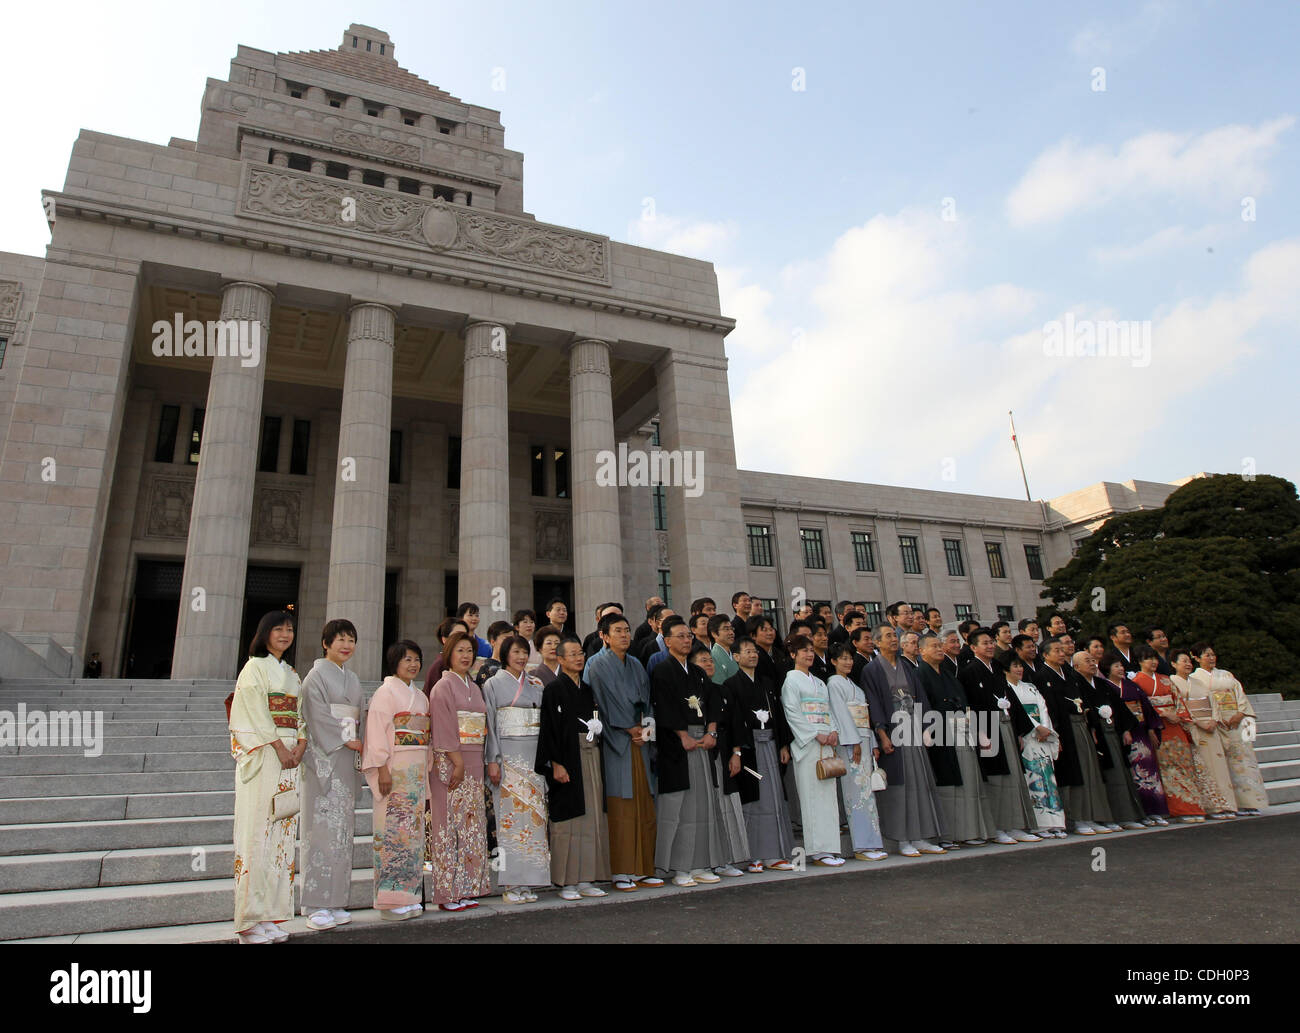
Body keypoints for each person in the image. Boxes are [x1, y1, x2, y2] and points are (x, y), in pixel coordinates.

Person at [229, 610, 303, 944]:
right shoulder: (253, 667)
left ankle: (272, 913)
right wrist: (277, 745)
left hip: (290, 758)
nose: (285, 634)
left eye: (289, 629)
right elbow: (251, 713)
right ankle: (248, 921)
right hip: (264, 757)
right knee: (256, 834)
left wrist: (300, 744)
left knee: (282, 836)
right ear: (265, 633)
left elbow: (299, 714)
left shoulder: (290, 672)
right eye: (278, 629)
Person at [584, 612, 662, 892]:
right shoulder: (596, 665)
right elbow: (600, 704)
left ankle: (644, 868)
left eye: (627, 630)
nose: (625, 635)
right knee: (620, 806)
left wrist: (646, 730)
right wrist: (628, 728)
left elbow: (649, 701)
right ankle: (621, 869)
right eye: (617, 631)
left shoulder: (637, 665)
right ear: (603, 636)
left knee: (644, 804)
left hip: (640, 743)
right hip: (615, 743)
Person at [651, 616, 729, 886]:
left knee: (703, 805)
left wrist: (712, 732)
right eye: (680, 636)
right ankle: (679, 867)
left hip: (702, 742)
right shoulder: (662, 670)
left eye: (689, 636)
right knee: (679, 809)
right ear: (667, 640)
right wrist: (682, 734)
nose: (687, 640)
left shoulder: (697, 673)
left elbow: (714, 701)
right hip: (676, 746)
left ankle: (701, 863)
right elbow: (664, 706)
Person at [299, 619, 364, 931]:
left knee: (341, 832)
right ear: (325, 643)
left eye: (350, 639)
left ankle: (336, 900)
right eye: (339, 639)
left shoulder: (351, 678)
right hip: (324, 760)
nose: (346, 645)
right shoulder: (314, 677)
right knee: (321, 829)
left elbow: (359, 715)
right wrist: (345, 738)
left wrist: (359, 742)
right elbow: (316, 716)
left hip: (347, 756)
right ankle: (315, 903)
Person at [536, 637, 611, 899]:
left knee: (591, 816)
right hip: (567, 756)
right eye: (572, 654)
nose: (579, 658)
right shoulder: (554, 689)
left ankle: (587, 878)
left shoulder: (587, 689)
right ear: (560, 659)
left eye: (581, 653)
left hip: (590, 754)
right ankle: (567, 881)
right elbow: (549, 729)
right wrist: (555, 763)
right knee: (569, 820)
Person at [861, 625, 945, 857]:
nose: (893, 640)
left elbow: (921, 697)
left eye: (894, 636)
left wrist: (927, 727)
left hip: (913, 726)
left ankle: (921, 836)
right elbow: (874, 701)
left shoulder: (907, 667)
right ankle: (903, 839)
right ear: (877, 643)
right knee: (901, 785)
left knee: (920, 782)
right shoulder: (872, 669)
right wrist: (882, 733)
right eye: (888, 636)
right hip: (893, 728)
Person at [363, 640, 431, 921]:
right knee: (392, 833)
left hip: (414, 768)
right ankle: (390, 901)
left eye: (416, 659)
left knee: (412, 836)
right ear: (395, 663)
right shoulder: (385, 693)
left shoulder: (421, 697)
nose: (413, 664)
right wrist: (381, 769)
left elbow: (425, 735)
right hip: (394, 767)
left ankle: (411, 895)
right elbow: (377, 731)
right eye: (407, 659)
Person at [482, 635, 549, 903]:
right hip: (507, 757)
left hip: (532, 757)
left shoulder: (536, 684)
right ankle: (511, 884)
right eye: (516, 652)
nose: (521, 657)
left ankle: (529, 882)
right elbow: (490, 722)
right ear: (506, 655)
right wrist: (492, 760)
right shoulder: (492, 684)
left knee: (533, 820)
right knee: (509, 822)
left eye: (525, 652)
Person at [958, 629, 1040, 844]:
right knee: (997, 778)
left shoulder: (997, 669)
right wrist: (981, 733)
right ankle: (1000, 827)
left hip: (1005, 724)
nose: (990, 646)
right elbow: (971, 705)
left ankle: (1016, 824)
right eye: (985, 643)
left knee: (1013, 774)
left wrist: (1020, 729)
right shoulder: (969, 671)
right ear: (973, 647)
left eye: (992, 642)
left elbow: (1010, 697)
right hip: (986, 728)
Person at [428, 631, 490, 911]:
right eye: (460, 651)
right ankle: (446, 892)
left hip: (474, 758)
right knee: (448, 826)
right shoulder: (443, 687)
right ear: (449, 654)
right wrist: (457, 760)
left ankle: (466, 887)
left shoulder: (474, 687)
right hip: (451, 761)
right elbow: (442, 727)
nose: (465, 656)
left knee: (471, 827)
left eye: (469, 651)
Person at [727, 637, 795, 871]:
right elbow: (734, 721)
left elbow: (778, 714)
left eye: (754, 651)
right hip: (749, 748)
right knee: (754, 801)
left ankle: (775, 854)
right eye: (747, 651)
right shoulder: (731, 684)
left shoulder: (767, 683)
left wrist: (783, 745)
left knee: (775, 798)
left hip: (770, 744)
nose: (753, 655)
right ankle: (754, 855)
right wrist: (736, 751)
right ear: (736, 657)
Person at [918, 635, 993, 847]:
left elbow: (965, 702)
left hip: (963, 730)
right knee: (949, 785)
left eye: (940, 646)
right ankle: (951, 834)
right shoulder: (920, 674)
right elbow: (923, 705)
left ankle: (974, 830)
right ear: (921, 651)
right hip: (939, 733)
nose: (939, 649)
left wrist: (977, 730)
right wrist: (928, 731)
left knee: (970, 781)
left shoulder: (949, 674)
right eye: (933, 646)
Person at [780, 635, 845, 866]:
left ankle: (831, 847)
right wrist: (815, 734)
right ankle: (817, 850)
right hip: (808, 743)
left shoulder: (819, 681)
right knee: (811, 798)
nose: (809, 654)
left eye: (810, 650)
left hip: (826, 741)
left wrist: (833, 731)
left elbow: (829, 710)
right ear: (792, 655)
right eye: (803, 651)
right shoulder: (791, 681)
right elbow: (792, 712)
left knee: (827, 797)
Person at [1035, 641, 1112, 836]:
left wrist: (1091, 725)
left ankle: (1092, 815)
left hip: (1080, 724)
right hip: (1063, 728)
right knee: (1072, 773)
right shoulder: (1043, 676)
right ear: (1045, 655)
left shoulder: (1069, 674)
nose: (1061, 654)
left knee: (1088, 770)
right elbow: (1048, 707)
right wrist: (1056, 733)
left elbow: (1084, 700)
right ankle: (1076, 818)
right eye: (1056, 650)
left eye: (1063, 650)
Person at [1131, 646, 1207, 823]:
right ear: (1140, 662)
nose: (1154, 662)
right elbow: (1141, 706)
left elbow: (1178, 702)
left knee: (1184, 765)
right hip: (1158, 727)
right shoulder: (1137, 681)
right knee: (1166, 768)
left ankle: (1192, 806)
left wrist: (1177, 715)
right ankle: (1177, 809)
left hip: (1175, 726)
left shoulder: (1166, 680)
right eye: (1149, 658)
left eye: (1155, 658)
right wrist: (1163, 714)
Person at [1188, 644, 1267, 814]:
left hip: (1236, 720)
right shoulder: (1195, 678)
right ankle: (1231, 803)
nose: (1211, 658)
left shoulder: (1226, 674)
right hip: (1216, 722)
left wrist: (1240, 713)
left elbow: (1240, 694)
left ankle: (1250, 802)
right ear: (1196, 658)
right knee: (1223, 764)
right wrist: (1217, 718)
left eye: (1213, 654)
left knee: (1243, 760)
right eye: (1207, 655)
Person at [1070, 650, 1144, 831]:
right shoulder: (1075, 684)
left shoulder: (1102, 684)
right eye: (1087, 661)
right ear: (1077, 666)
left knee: (1121, 772)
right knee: (1104, 775)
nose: (1092, 663)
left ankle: (1128, 815)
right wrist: (1092, 728)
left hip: (1113, 732)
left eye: (1093, 660)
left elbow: (1119, 708)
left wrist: (1126, 729)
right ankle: (1109, 817)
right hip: (1096, 734)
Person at [827, 644, 887, 860]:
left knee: (866, 793)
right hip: (850, 743)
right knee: (856, 794)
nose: (848, 662)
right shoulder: (834, 683)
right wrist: (855, 742)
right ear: (833, 661)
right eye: (842, 658)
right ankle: (862, 846)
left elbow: (865, 716)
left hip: (862, 737)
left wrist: (871, 744)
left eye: (850, 658)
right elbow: (841, 714)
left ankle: (872, 843)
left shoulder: (854, 685)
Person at [697, 643, 750, 878]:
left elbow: (737, 723)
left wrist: (736, 753)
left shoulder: (723, 690)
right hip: (701, 754)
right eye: (702, 661)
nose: (709, 664)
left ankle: (727, 858)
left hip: (725, 752)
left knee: (726, 805)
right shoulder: (693, 694)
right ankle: (709, 861)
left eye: (710, 660)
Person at [1171, 649, 1238, 818]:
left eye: (1188, 661)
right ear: (1173, 664)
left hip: (1211, 725)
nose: (1187, 664)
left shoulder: (1198, 682)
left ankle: (1227, 804)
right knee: (1204, 768)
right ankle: (1212, 807)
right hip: (1195, 728)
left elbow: (1212, 701)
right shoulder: (1172, 682)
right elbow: (1180, 706)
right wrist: (1199, 722)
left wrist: (1215, 719)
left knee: (1220, 768)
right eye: (1183, 661)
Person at [1103, 657, 1170, 825]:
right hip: (1125, 732)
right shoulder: (1107, 687)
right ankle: (1142, 812)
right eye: (1116, 665)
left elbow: (1146, 707)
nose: (1120, 668)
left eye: (1121, 666)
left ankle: (1155, 811)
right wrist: (1124, 728)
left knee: (1149, 769)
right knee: (1134, 773)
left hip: (1141, 731)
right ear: (1107, 669)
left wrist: (1150, 728)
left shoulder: (1133, 686)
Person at [1008, 657, 1065, 837]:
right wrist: (1035, 727)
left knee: (1048, 778)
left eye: (1020, 666)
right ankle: (1038, 824)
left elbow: (1043, 707)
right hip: (1028, 736)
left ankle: (1055, 822)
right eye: (1014, 665)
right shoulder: (1007, 688)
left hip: (1042, 737)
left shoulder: (1030, 687)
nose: (1019, 669)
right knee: (1033, 779)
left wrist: (1045, 728)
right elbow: (1019, 711)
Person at [421, 616, 469, 694]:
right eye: (456, 635)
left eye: (464, 636)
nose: (461, 639)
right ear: (444, 639)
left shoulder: (464, 661)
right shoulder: (440, 665)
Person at [708, 614, 739, 684]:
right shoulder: (712, 657)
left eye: (731, 629)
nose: (731, 633)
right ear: (714, 634)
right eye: (726, 629)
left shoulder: (735, 655)